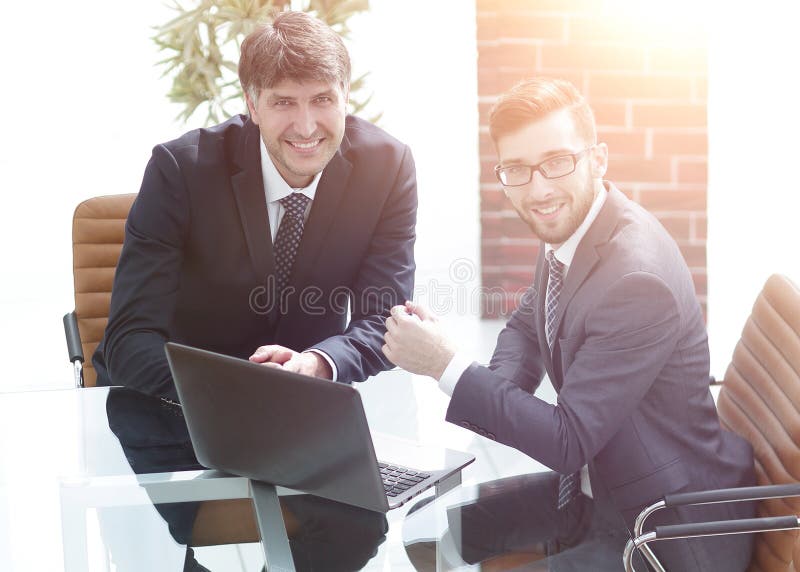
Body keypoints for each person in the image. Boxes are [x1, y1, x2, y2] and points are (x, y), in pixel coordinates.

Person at [383, 77, 755, 570]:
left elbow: (566, 441)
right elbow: (526, 325)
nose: (538, 189)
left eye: (557, 162)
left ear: (597, 159)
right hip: (595, 488)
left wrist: (446, 366)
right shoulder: (575, 225)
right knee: (426, 535)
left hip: (663, 527)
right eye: (517, 169)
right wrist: (496, 389)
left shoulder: (636, 280)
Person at [94, 10, 417, 400]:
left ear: (345, 95)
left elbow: (383, 317)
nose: (306, 126)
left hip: (304, 401)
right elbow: (131, 338)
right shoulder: (179, 171)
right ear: (252, 103)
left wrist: (317, 363)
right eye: (283, 102)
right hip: (178, 402)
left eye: (323, 99)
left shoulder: (386, 168)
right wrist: (235, 391)